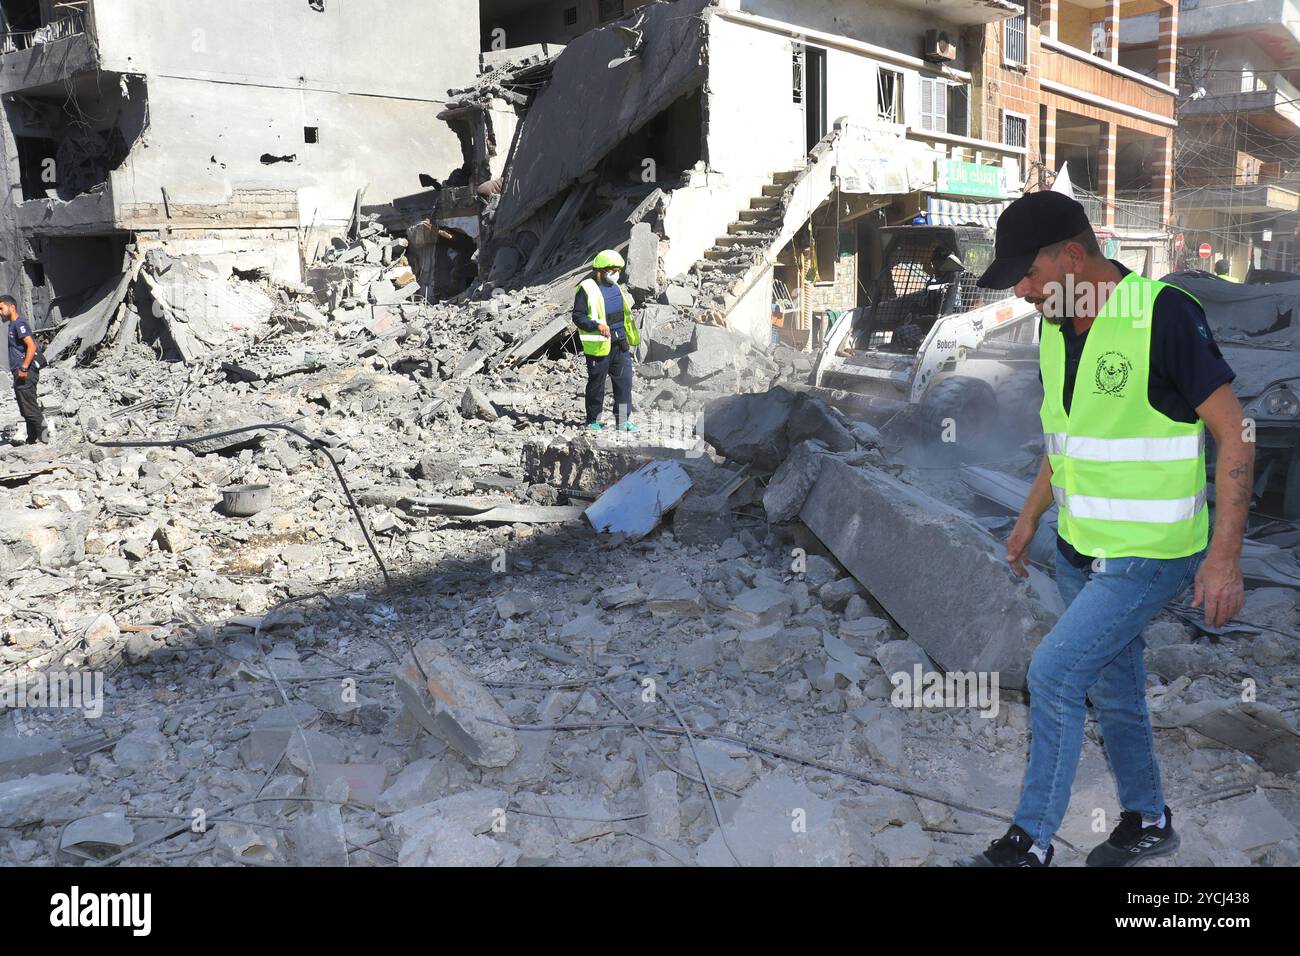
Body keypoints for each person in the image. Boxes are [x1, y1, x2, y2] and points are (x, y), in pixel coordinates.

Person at [960, 191, 1251, 867]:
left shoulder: (1164, 316)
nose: (1024, 292)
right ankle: (1148, 819)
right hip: (1078, 550)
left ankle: (1028, 843)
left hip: (1151, 555)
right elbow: (1067, 443)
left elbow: (1236, 433)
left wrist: (1226, 558)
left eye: (1028, 275)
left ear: (1072, 255)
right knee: (1114, 688)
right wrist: (1031, 515)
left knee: (1055, 675)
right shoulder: (1056, 330)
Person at [572, 250, 639, 431]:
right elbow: (578, 316)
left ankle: (623, 421)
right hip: (599, 347)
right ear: (601, 270)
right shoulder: (587, 288)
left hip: (620, 344)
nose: (616, 273)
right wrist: (595, 325)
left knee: (624, 384)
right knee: (597, 385)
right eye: (613, 269)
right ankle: (593, 420)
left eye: (618, 270)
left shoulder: (616, 287)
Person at [1, 294, 47, 444]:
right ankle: (32, 439)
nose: (0, 312)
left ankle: (45, 440)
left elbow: (31, 345)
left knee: (31, 409)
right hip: (20, 373)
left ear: (11, 307)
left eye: (1, 308)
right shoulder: (12, 325)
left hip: (25, 372)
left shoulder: (19, 323)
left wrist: (24, 368)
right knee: (26, 409)